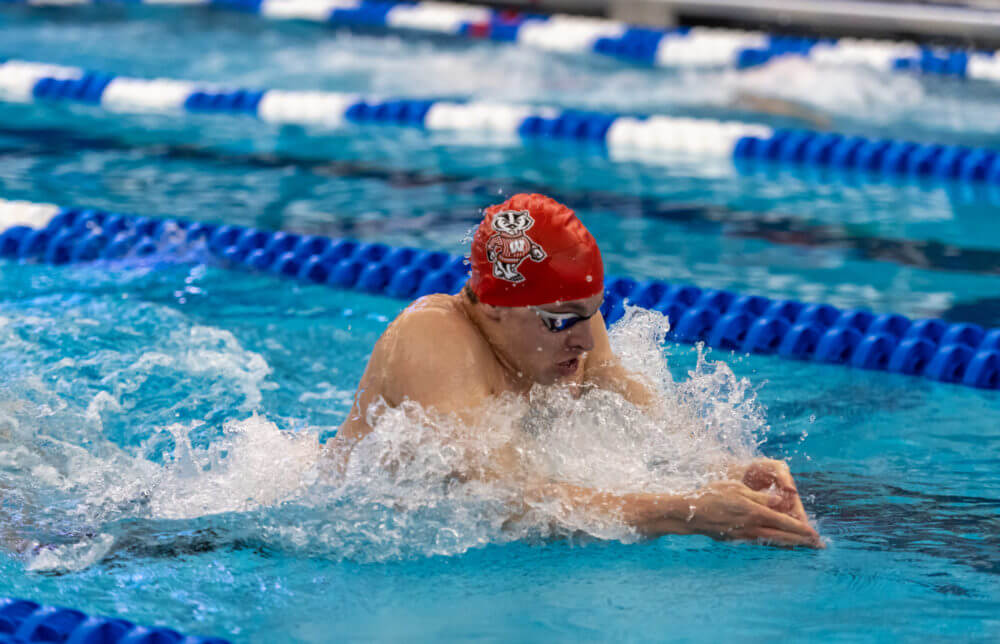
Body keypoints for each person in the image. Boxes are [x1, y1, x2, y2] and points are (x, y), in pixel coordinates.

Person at [328, 193, 822, 548]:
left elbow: (640, 409)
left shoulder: (573, 326)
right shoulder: (434, 341)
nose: (585, 340)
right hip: (343, 524)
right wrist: (684, 511)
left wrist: (724, 468)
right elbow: (501, 501)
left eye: (592, 312)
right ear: (497, 306)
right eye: (561, 319)